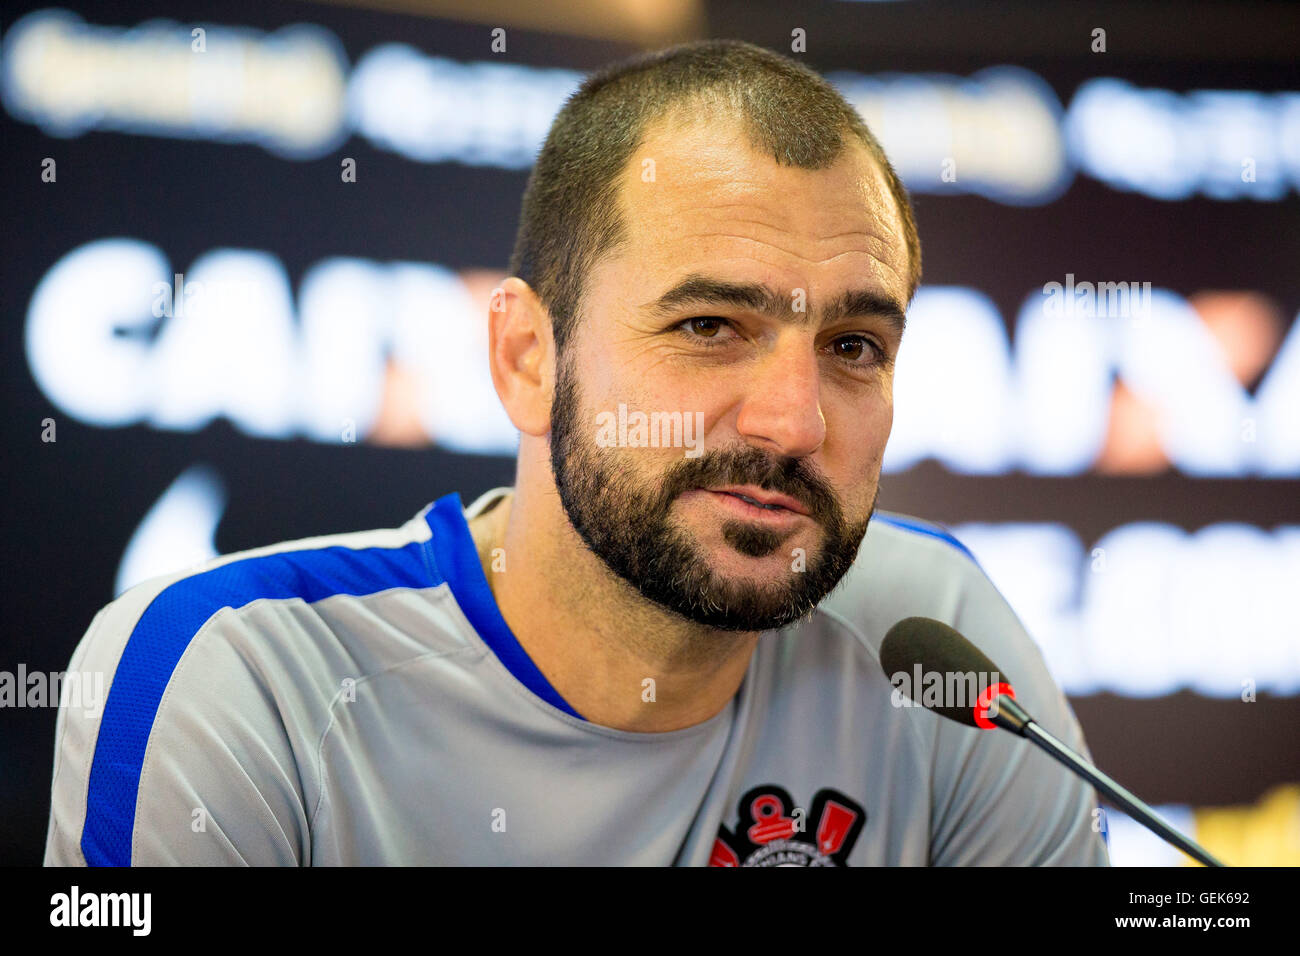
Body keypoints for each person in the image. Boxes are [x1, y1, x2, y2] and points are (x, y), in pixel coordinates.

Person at [45, 39, 1108, 866]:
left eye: (853, 347)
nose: (794, 424)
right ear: (525, 358)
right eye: (709, 326)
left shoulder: (936, 645)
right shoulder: (236, 677)